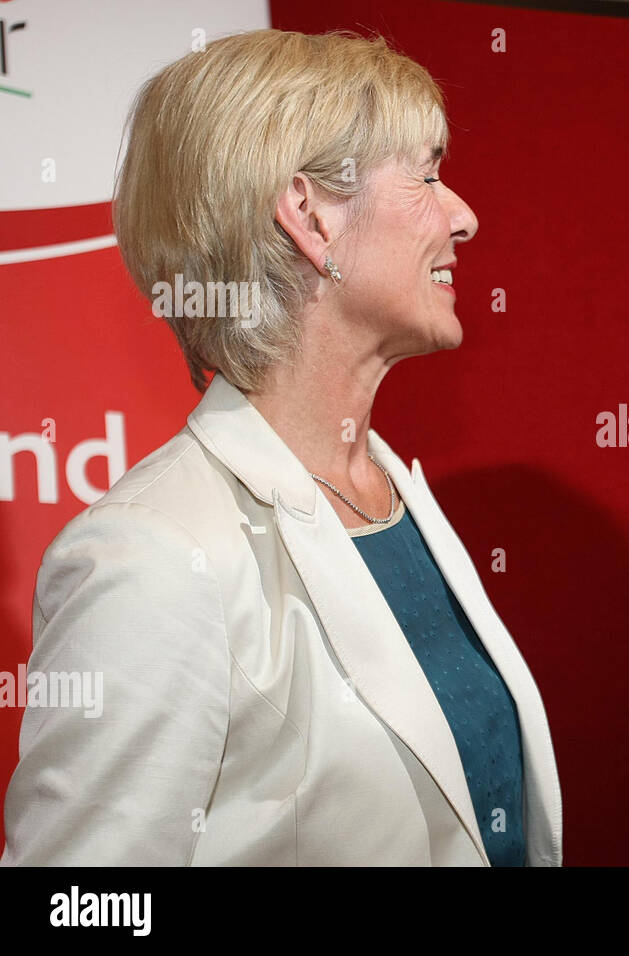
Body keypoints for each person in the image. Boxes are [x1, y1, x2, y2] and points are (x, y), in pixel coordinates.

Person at [1, 29, 561, 866]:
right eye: (428, 175)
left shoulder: (391, 489)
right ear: (309, 215)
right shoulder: (153, 555)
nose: (464, 216)